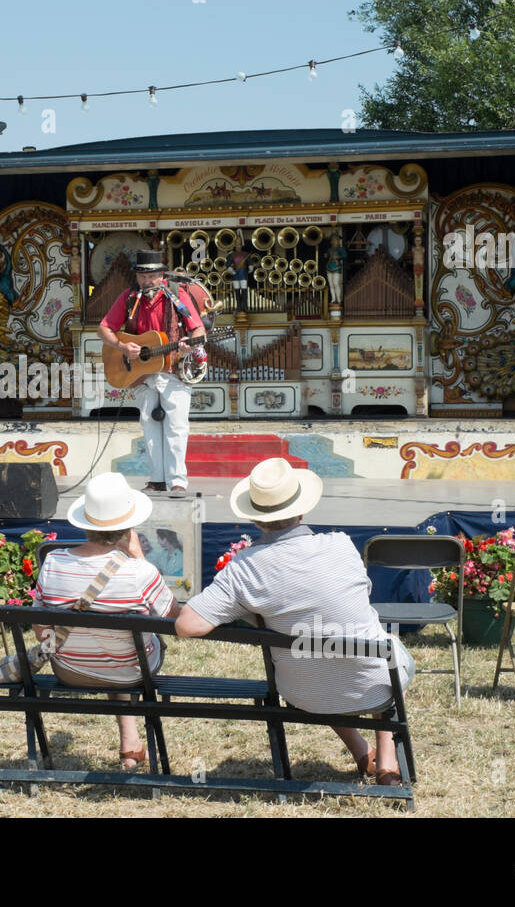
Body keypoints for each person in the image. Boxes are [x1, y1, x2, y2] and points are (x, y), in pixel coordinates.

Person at [175, 458, 415, 786]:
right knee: (371, 654)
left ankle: (363, 753)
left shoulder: (244, 568)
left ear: (254, 518)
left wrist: (247, 610)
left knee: (318, 662)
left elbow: (187, 626)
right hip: (373, 682)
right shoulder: (342, 545)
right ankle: (386, 764)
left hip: (304, 692)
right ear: (301, 510)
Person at [33, 473, 178, 768]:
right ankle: (131, 744)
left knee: (110, 646)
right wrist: (139, 557)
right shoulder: (139, 572)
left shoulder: (53, 563)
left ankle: (130, 743)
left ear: (85, 523)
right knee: (125, 650)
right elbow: (173, 617)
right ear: (127, 528)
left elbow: (40, 633)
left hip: (69, 669)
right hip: (132, 670)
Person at [98, 248, 207, 494]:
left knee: (176, 426)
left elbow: (197, 329)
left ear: (161, 275)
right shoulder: (129, 297)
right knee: (148, 424)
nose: (146, 281)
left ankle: (177, 480)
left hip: (173, 370)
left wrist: (189, 344)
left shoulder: (177, 296)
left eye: (151, 276)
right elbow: (103, 329)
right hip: (141, 372)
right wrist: (122, 346)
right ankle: (157, 479)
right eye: (142, 276)